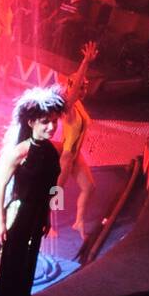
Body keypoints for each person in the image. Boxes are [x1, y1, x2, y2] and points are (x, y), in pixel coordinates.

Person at [0, 87, 65, 296]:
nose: (51, 127)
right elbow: (0, 185)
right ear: (31, 122)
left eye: (54, 121)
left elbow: (50, 188)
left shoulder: (53, 151)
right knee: (7, 268)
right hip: (17, 215)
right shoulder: (19, 152)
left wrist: (47, 216)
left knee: (26, 268)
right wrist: (0, 220)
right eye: (45, 122)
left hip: (36, 216)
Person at [57, 41, 99, 237]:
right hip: (66, 156)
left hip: (76, 156)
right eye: (81, 86)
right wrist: (85, 62)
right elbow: (73, 90)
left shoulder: (79, 104)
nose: (84, 89)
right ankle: (44, 223)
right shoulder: (68, 105)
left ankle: (79, 221)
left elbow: (76, 87)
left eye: (86, 87)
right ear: (72, 86)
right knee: (56, 192)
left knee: (89, 187)